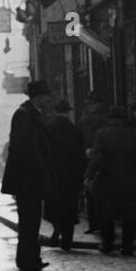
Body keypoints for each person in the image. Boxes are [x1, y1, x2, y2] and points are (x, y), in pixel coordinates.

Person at [0, 80, 55, 271]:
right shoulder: (24, 114)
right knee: (29, 220)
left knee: (32, 220)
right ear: (39, 97)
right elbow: (22, 147)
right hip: (28, 180)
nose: (49, 100)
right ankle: (26, 259)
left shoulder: (31, 114)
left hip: (31, 179)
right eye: (47, 96)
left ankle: (31, 257)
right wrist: (35, 171)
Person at [86, 106, 136, 255]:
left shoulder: (102, 134)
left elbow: (97, 157)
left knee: (106, 214)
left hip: (108, 179)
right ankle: (128, 247)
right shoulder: (135, 134)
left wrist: (88, 175)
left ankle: (108, 244)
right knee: (129, 215)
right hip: (130, 179)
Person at [45, 99, 87, 251]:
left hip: (54, 175)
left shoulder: (48, 129)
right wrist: (81, 175)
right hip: (71, 177)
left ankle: (57, 227)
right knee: (69, 207)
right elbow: (80, 156)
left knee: (54, 205)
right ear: (68, 112)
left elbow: (44, 153)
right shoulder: (75, 130)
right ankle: (67, 241)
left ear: (55, 112)